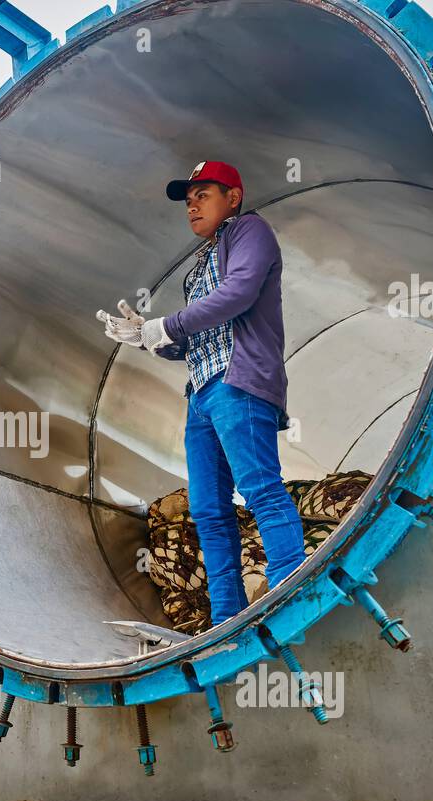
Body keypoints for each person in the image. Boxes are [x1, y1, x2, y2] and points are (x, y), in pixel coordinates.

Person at [97, 160, 305, 628]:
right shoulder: (198, 269)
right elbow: (195, 342)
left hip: (239, 382)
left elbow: (239, 294)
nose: (192, 204)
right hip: (203, 393)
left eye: (203, 194)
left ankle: (290, 586)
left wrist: (163, 325)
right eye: (188, 199)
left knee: (260, 489)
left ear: (233, 197)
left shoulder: (250, 231)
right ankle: (227, 616)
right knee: (209, 510)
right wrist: (148, 339)